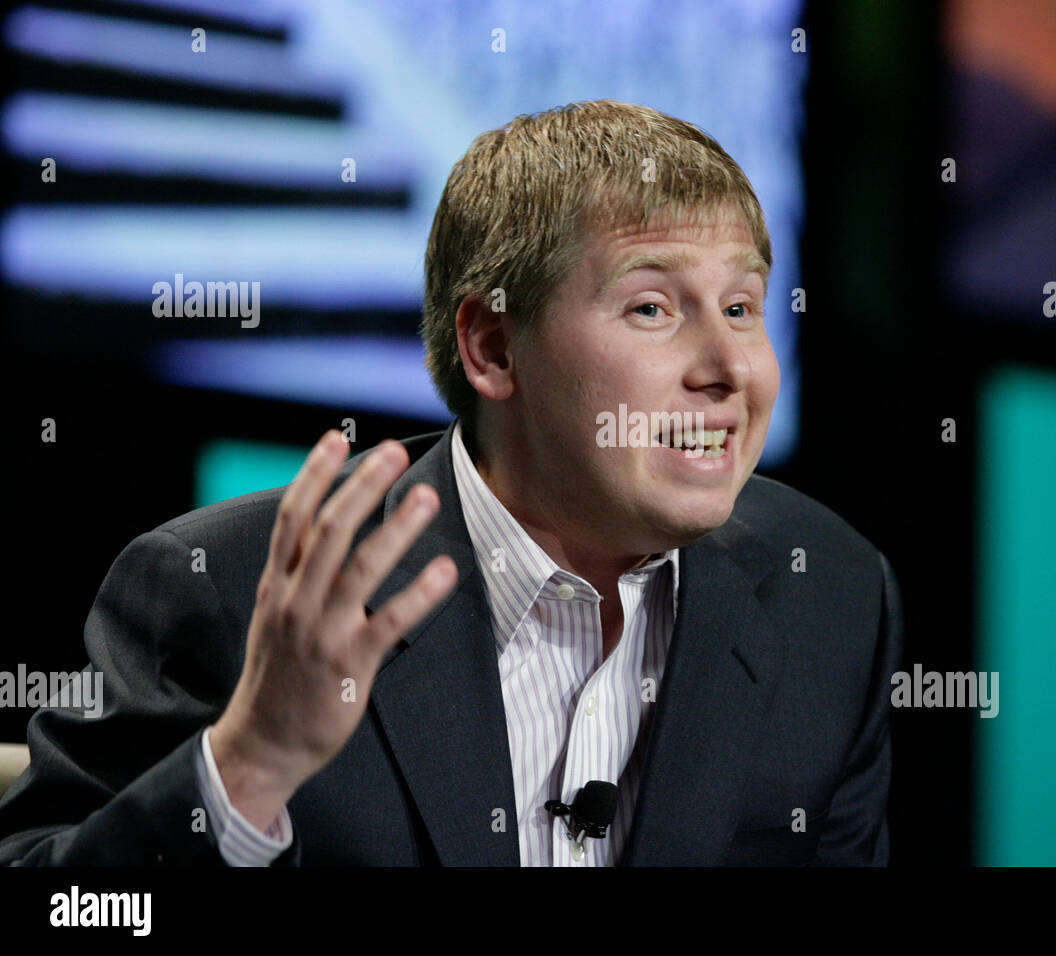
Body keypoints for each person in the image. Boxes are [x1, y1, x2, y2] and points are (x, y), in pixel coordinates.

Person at [0, 100, 903, 866]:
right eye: (652, 308)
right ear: (493, 347)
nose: (728, 368)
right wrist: (245, 771)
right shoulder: (222, 592)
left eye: (742, 308)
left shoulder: (828, 595)